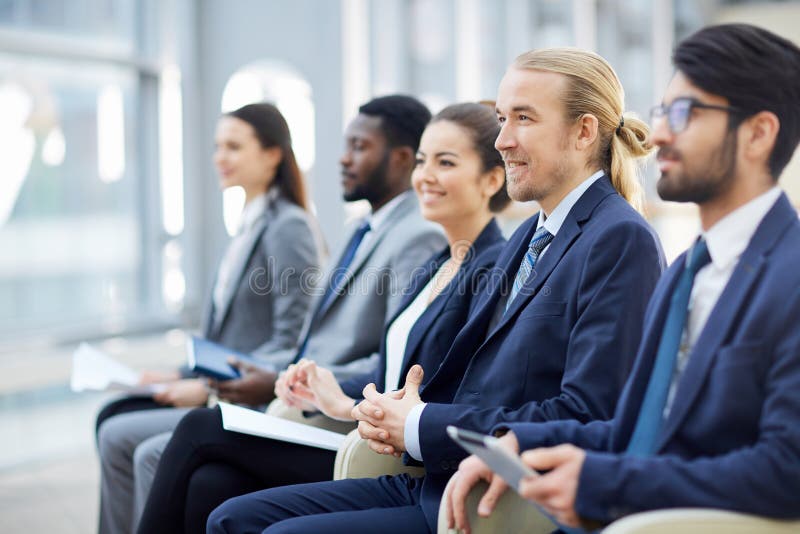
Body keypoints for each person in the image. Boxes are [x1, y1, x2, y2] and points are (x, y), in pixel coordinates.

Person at [207, 47, 665, 534]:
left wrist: (420, 425)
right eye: (502, 119)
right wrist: (388, 413)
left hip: (494, 505)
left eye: (524, 118)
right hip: (434, 480)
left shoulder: (619, 238)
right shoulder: (529, 238)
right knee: (230, 518)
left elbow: (592, 414)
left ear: (584, 131)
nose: (504, 140)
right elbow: (471, 379)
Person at [447, 23, 800, 532]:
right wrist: (520, 443)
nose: (658, 135)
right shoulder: (687, 271)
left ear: (758, 134)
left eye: (685, 114)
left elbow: (787, 469)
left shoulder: (789, 276)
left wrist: (606, 483)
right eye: (663, 112)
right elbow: (638, 430)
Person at [134, 95, 447, 534]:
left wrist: (315, 384)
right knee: (210, 483)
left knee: (196, 428)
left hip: (339, 420)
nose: (342, 158)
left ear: (399, 159)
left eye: (358, 146)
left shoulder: (417, 236)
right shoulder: (362, 227)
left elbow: (394, 361)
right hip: (303, 399)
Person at [96, 102, 321, 534]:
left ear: (272, 154)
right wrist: (175, 372)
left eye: (234, 146)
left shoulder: (288, 227)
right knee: (114, 418)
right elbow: (224, 335)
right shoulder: (248, 223)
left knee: (119, 433)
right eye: (218, 146)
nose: (220, 157)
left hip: (247, 394)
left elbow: (291, 340)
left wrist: (205, 385)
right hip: (219, 384)